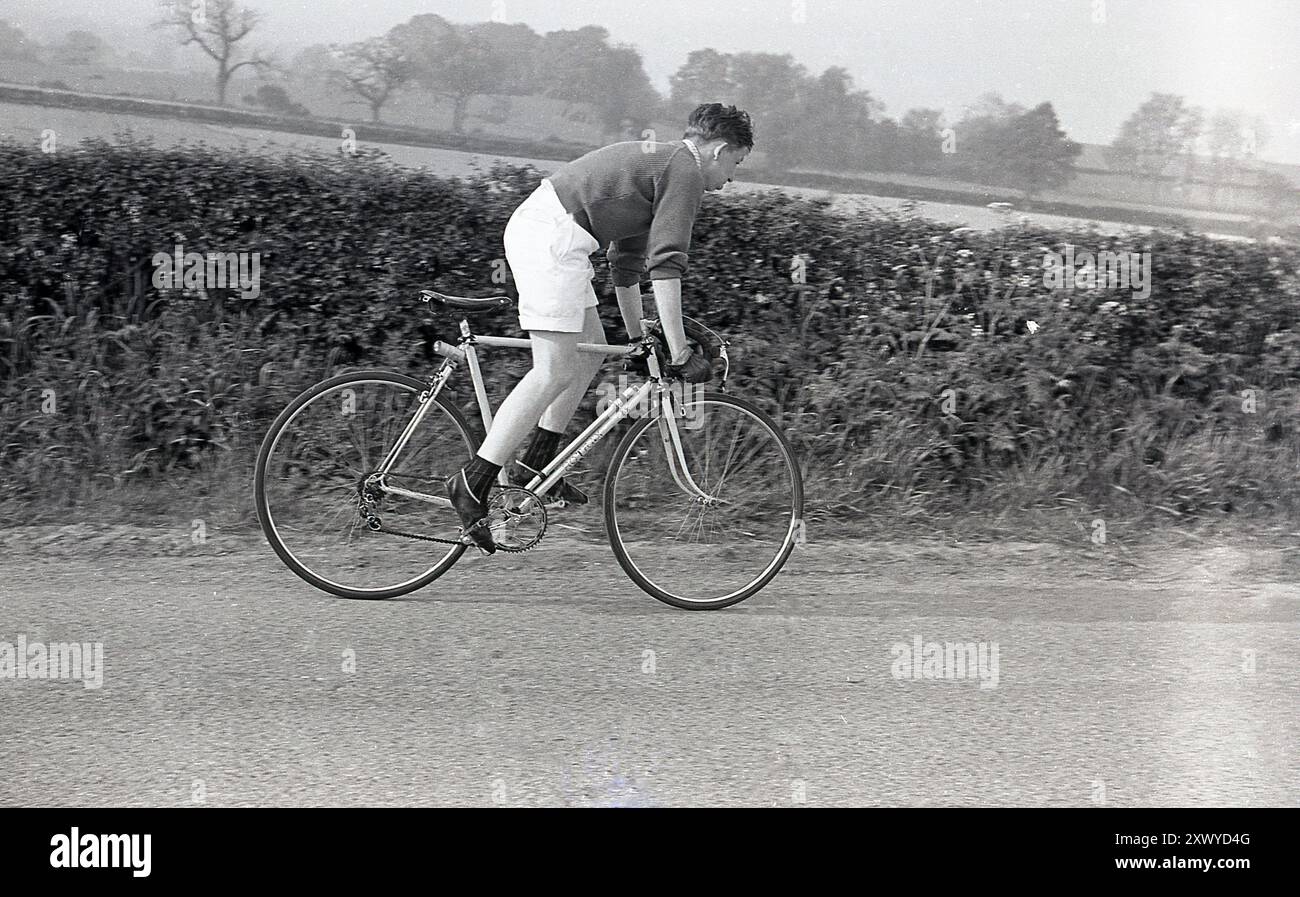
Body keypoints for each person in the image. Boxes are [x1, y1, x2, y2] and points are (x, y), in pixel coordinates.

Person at [447, 103, 754, 553]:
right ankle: (473, 481)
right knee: (552, 370)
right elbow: (667, 267)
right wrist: (680, 350)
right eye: (736, 164)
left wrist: (638, 337)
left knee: (590, 354)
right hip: (552, 239)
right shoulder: (684, 171)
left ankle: (537, 470)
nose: (732, 177)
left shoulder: (665, 166)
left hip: (560, 238)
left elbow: (627, 266)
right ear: (720, 150)